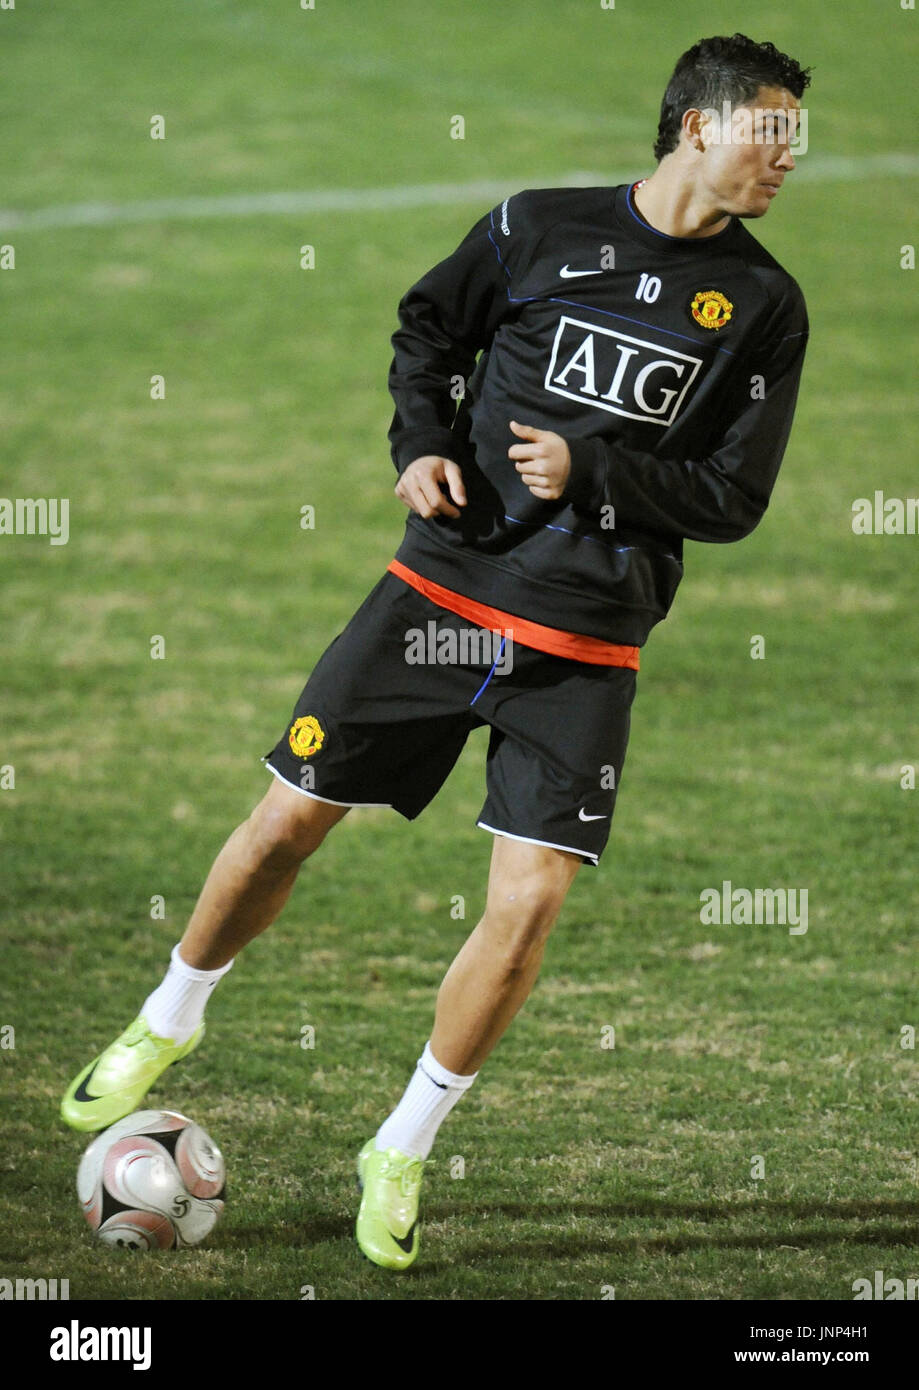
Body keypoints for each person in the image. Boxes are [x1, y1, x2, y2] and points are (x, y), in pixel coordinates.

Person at [62, 33, 811, 1270]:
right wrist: (418, 442)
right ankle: (168, 1016)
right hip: (441, 591)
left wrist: (596, 473)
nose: (785, 159)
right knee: (286, 821)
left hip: (586, 640)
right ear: (695, 127)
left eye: (795, 140)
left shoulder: (766, 307)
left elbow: (734, 497)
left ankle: (401, 1144)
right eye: (767, 133)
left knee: (525, 914)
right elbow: (427, 332)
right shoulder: (534, 226)